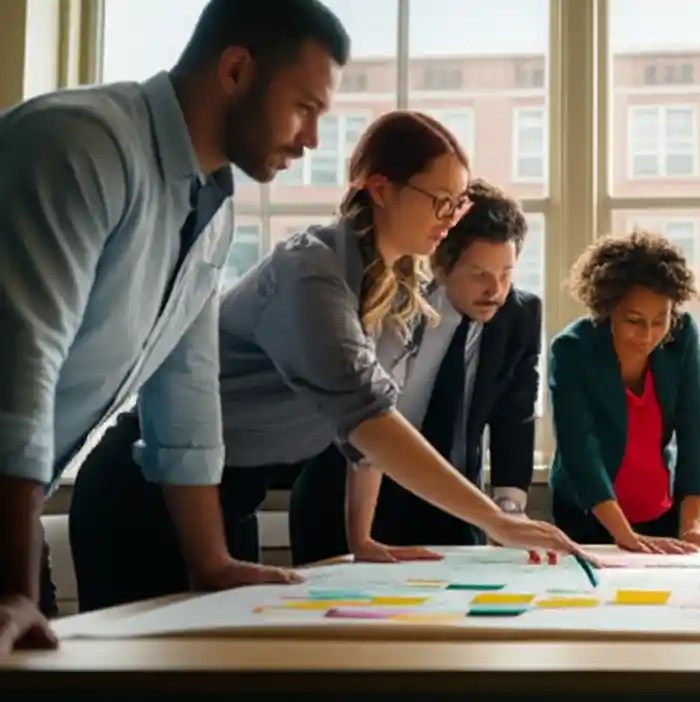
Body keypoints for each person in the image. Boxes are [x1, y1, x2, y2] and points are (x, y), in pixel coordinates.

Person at [70, 111, 584, 612]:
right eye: (441, 201)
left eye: (458, 202)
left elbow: (371, 434)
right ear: (381, 189)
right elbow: (367, 419)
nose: (451, 218)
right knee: (146, 665)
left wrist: (362, 537)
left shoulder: (396, 285)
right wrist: (497, 520)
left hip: (232, 496)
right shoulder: (311, 270)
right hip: (145, 492)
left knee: (221, 662)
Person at [0, 0, 350, 654]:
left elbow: (185, 387)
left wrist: (211, 563)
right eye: (304, 108)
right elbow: (18, 368)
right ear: (236, 70)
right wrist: (11, 589)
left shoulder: (211, 206)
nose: (311, 141)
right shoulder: (80, 144)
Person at [288, 179, 542, 565]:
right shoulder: (392, 304)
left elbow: (515, 414)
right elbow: (365, 418)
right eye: (479, 274)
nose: (496, 290)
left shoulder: (520, 315)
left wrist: (509, 509)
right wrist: (360, 537)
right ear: (441, 263)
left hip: (451, 505)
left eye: (506, 273)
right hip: (345, 497)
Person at [548, 231, 700, 553]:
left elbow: (694, 425)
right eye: (634, 321)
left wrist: (691, 527)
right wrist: (625, 535)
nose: (647, 335)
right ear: (608, 310)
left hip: (659, 511)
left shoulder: (682, 337)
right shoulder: (572, 350)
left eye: (660, 320)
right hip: (589, 514)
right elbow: (579, 446)